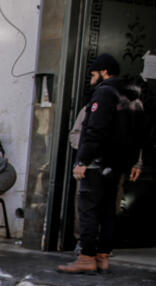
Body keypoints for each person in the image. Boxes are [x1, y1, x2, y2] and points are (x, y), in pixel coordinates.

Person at [58, 53, 143, 274]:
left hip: (97, 163)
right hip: (117, 165)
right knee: (108, 211)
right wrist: (133, 162)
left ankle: (86, 257)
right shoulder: (132, 98)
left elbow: (94, 130)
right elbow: (140, 134)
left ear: (104, 72)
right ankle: (103, 256)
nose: (92, 78)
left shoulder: (104, 93)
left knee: (88, 209)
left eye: (94, 73)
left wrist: (83, 160)